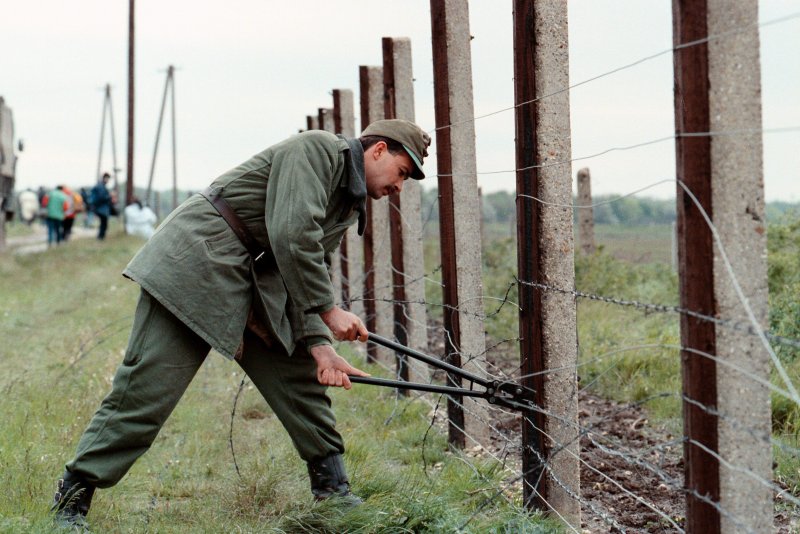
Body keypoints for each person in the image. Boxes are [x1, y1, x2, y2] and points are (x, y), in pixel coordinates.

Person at [51, 119, 431, 528]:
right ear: (377, 151)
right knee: (148, 388)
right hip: (197, 260)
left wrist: (321, 347)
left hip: (253, 279)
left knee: (301, 377)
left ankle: (334, 494)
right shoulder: (317, 150)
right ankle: (73, 497)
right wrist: (329, 310)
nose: (399, 187)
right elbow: (293, 235)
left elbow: (308, 266)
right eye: (402, 173)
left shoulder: (348, 199)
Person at [90, 173, 112, 239]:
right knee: (104, 223)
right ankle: (100, 237)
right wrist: (109, 197)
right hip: (101, 208)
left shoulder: (100, 186)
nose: (108, 180)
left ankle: (100, 237)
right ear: (104, 178)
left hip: (99, 207)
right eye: (107, 178)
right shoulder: (101, 186)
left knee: (103, 223)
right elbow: (102, 197)